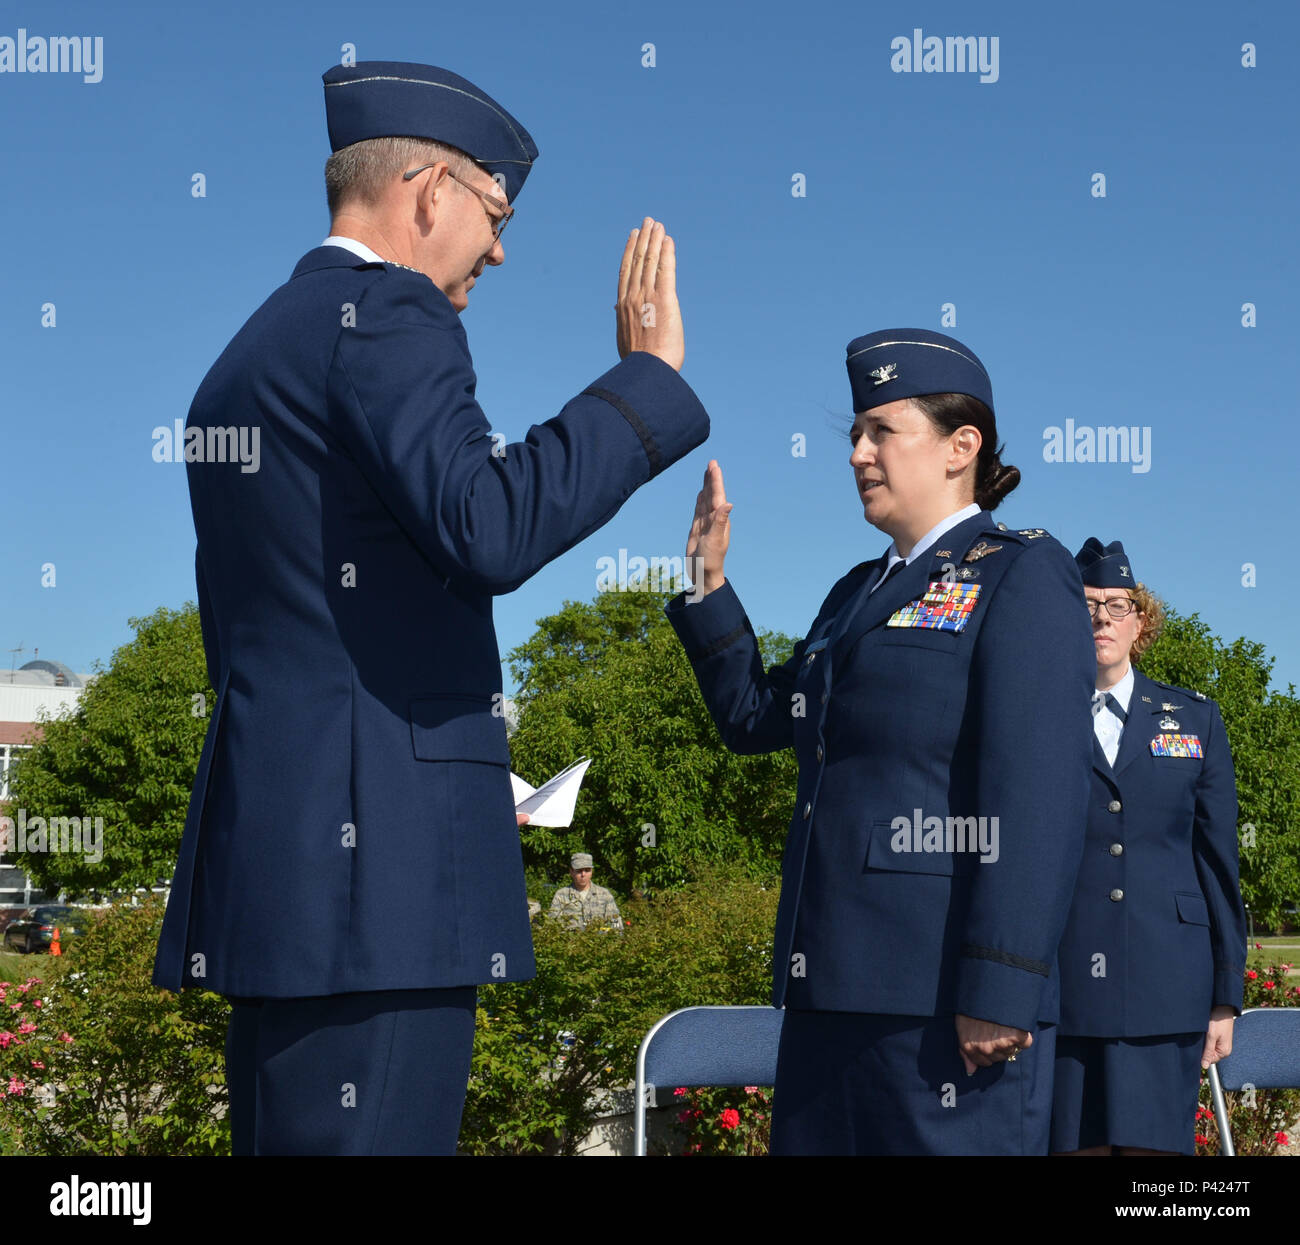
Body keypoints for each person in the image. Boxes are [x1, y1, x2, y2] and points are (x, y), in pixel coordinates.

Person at [151, 60, 710, 1156]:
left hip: (283, 864)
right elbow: (484, 524)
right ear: (427, 193)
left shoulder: (244, 355)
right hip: (383, 882)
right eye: (495, 213)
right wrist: (645, 381)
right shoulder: (387, 310)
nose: (499, 248)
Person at [664, 328, 1095, 1154]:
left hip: (945, 1006)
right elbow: (760, 717)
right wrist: (706, 587)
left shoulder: (1022, 573)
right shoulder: (858, 591)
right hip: (830, 988)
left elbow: (1036, 791)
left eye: (882, 430)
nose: (858, 452)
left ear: (959, 446)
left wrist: (1002, 983)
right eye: (854, 433)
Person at [1051, 539, 1245, 1155]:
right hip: (1063, 986)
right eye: (1085, 606)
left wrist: (1225, 997)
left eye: (1116, 605)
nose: (1101, 618)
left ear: (1141, 621)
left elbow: (1217, 864)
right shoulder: (1034, 717)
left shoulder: (1195, 720)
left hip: (1167, 989)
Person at [548, 852, 623, 932]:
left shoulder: (604, 895)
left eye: (587, 870)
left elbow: (616, 926)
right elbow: (552, 925)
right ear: (571, 872)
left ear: (592, 872)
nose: (583, 874)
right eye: (579, 871)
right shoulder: (561, 895)